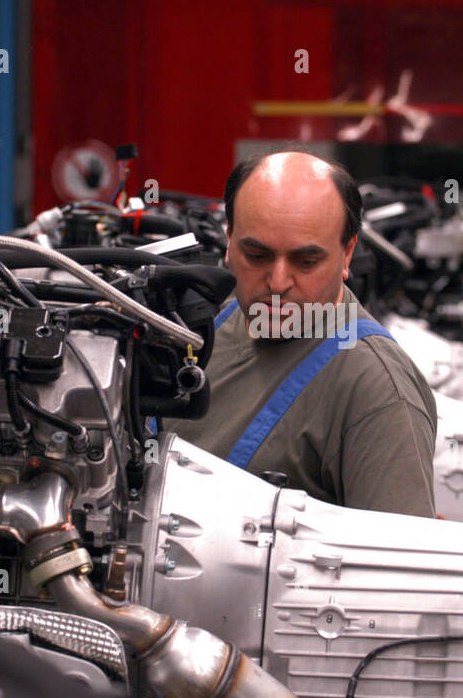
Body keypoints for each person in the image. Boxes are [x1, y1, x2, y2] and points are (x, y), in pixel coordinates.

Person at [163, 151, 438, 518]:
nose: (277, 283)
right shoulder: (205, 322)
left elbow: (401, 568)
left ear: (347, 254)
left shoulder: (377, 392)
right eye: (257, 255)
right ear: (228, 240)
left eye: (306, 262)